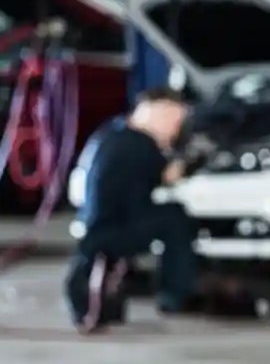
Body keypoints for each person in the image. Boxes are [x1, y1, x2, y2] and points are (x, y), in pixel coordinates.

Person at [65, 86, 198, 331]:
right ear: (157, 112)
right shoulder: (140, 143)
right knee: (175, 218)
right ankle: (174, 294)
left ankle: (117, 299)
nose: (176, 128)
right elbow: (170, 176)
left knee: (164, 215)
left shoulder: (110, 133)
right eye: (175, 120)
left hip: (91, 226)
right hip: (111, 231)